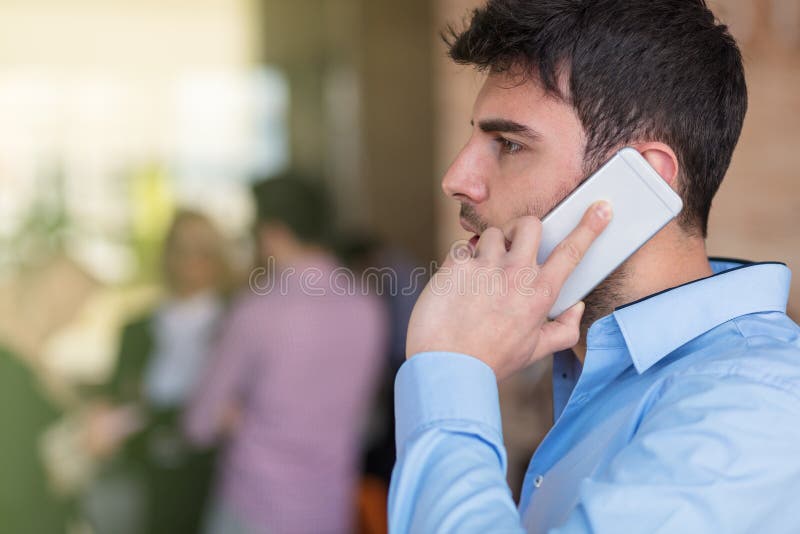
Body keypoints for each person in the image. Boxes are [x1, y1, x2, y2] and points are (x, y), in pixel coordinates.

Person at [389, 1, 800, 533]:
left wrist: (450, 369)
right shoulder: (588, 365)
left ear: (646, 182)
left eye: (509, 144)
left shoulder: (750, 408)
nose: (457, 178)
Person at [185, 175, 386, 534]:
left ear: (272, 232)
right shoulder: (366, 307)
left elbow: (199, 423)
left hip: (254, 509)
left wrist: (237, 415)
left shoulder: (258, 309)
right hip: (328, 510)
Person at [85, 210, 228, 534]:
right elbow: (116, 397)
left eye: (202, 250)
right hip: (146, 477)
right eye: (181, 249)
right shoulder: (136, 328)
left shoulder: (234, 326)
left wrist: (149, 414)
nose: (191, 261)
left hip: (212, 479)